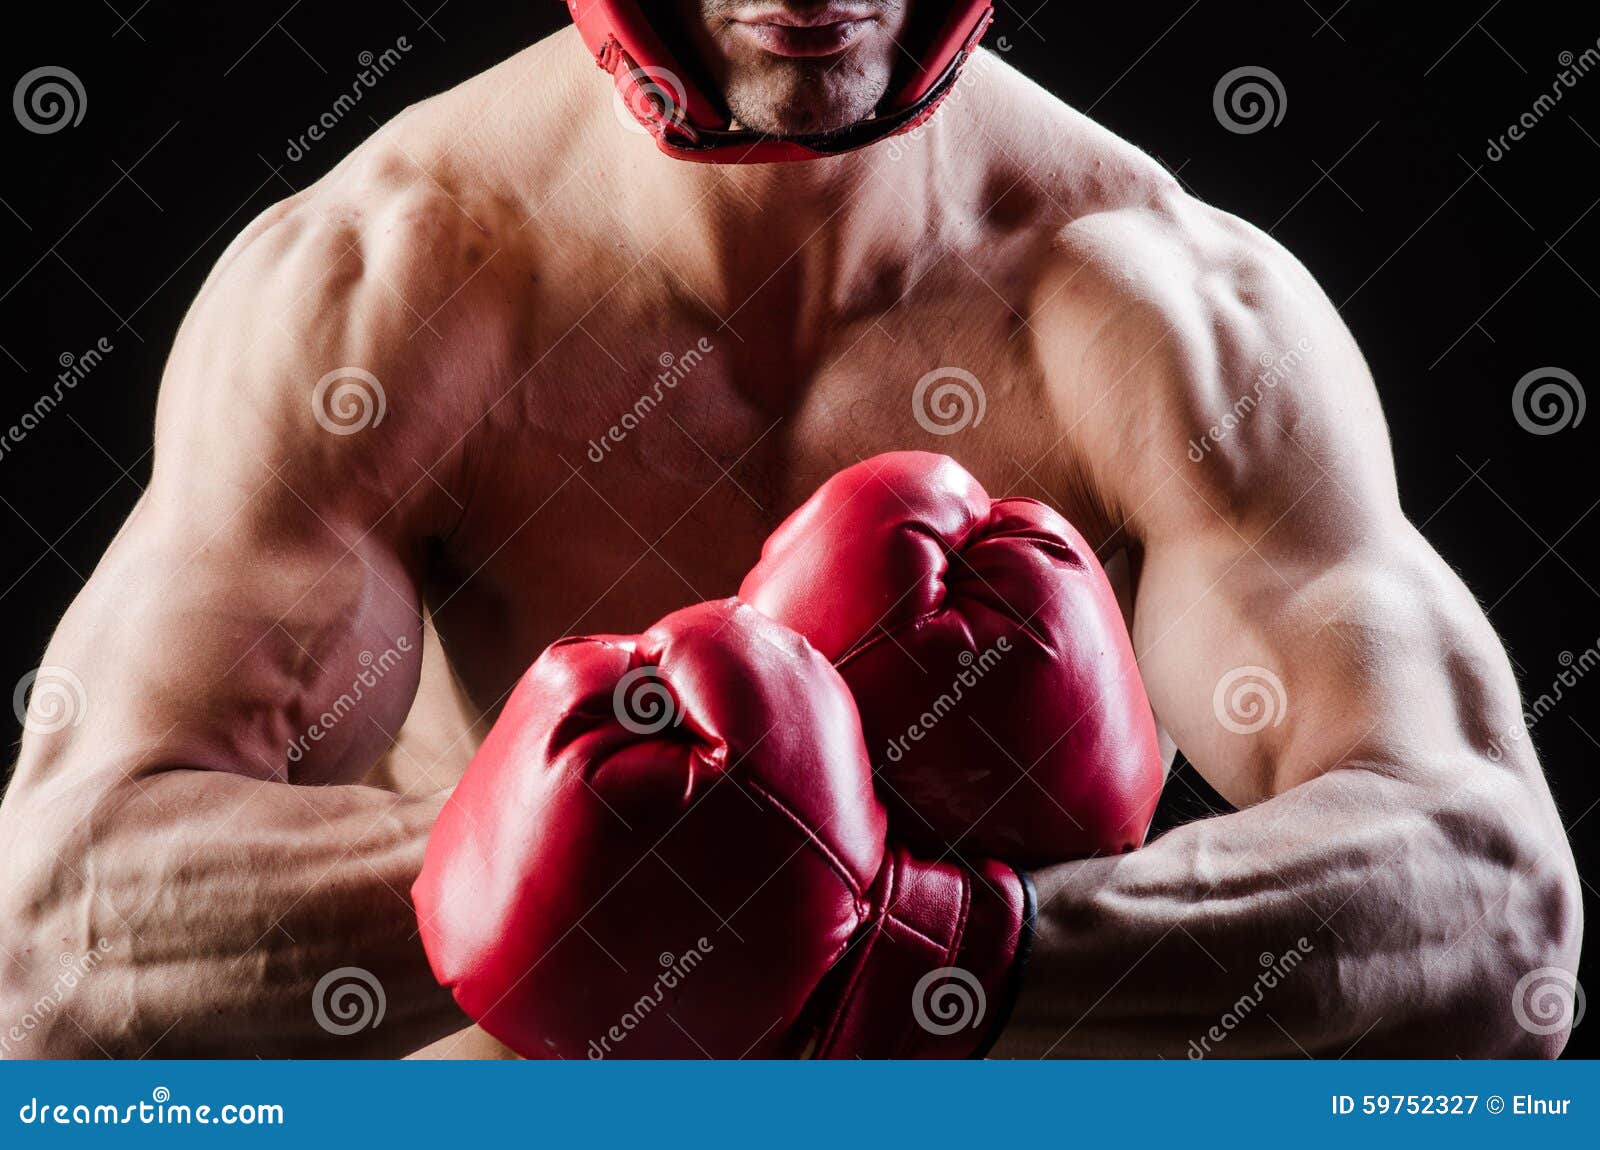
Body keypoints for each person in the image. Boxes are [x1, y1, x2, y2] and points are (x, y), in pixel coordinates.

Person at [0, 1, 1579, 1058]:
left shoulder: (1162, 309)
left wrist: (938, 941)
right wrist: (555, 874)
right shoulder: (382, 291)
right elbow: (53, 935)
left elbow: (1500, 901)